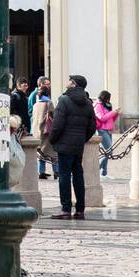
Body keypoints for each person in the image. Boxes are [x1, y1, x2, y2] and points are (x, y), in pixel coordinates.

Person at [49, 74, 97, 219]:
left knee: (64, 176)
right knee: (78, 176)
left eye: (70, 81)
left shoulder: (64, 100)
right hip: (78, 146)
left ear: (74, 84)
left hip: (64, 145)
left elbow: (57, 125)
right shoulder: (88, 103)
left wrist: (53, 140)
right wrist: (82, 139)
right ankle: (80, 210)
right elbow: (92, 126)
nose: (67, 83)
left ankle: (65, 209)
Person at [31, 81, 58, 182]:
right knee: (53, 153)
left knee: (41, 152)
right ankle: (56, 172)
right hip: (47, 131)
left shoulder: (36, 104)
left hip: (37, 131)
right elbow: (54, 116)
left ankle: (41, 172)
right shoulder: (48, 103)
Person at [94, 90, 120, 179]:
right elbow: (102, 118)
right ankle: (96, 169)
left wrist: (116, 113)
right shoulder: (97, 105)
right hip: (102, 130)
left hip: (108, 130)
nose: (109, 100)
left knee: (106, 152)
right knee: (109, 150)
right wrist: (113, 112)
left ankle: (103, 173)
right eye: (108, 98)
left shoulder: (107, 105)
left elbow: (111, 119)